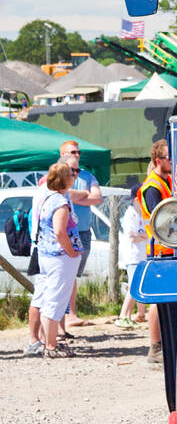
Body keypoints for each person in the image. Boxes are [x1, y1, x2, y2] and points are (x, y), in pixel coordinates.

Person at [25, 162, 82, 358]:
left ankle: (49, 342)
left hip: (47, 254)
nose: (74, 176)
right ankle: (50, 345)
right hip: (59, 256)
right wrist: (72, 251)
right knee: (55, 300)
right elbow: (59, 231)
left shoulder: (46, 198)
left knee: (50, 298)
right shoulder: (59, 202)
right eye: (72, 174)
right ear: (66, 179)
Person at [57, 140, 102, 327]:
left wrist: (76, 195)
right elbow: (63, 193)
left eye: (78, 152)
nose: (77, 155)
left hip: (83, 231)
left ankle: (71, 314)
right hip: (65, 231)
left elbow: (97, 198)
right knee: (65, 274)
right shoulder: (56, 175)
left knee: (74, 274)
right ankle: (65, 315)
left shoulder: (87, 175)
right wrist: (82, 194)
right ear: (62, 154)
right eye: (72, 152)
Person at [137, 141, 173, 364]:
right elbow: (158, 218)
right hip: (159, 249)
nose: (173, 160)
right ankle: (155, 347)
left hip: (166, 248)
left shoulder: (164, 181)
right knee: (157, 302)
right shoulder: (152, 187)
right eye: (169, 157)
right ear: (159, 161)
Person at [115, 185, 148, 328]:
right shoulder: (130, 214)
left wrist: (143, 236)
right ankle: (123, 315)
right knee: (133, 285)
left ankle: (141, 314)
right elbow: (132, 236)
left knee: (139, 284)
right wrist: (145, 236)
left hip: (141, 255)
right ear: (136, 199)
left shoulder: (140, 213)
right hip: (133, 255)